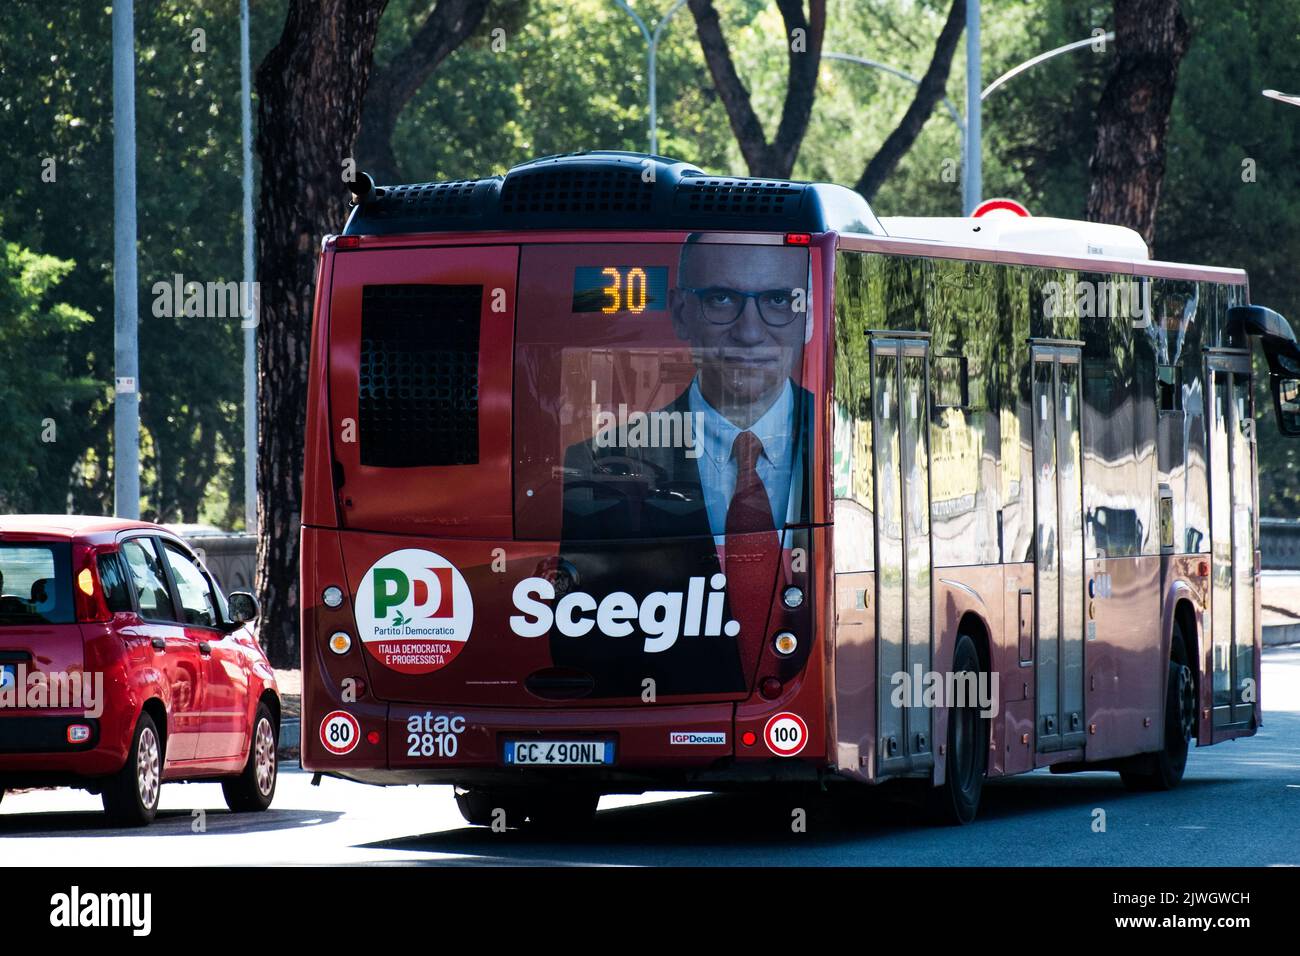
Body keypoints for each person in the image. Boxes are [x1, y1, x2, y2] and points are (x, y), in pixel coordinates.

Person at [552, 239, 813, 697]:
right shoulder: (600, 459)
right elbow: (577, 632)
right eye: (721, 299)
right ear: (679, 312)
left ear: (810, 315)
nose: (750, 332)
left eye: (778, 300)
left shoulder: (848, 435)